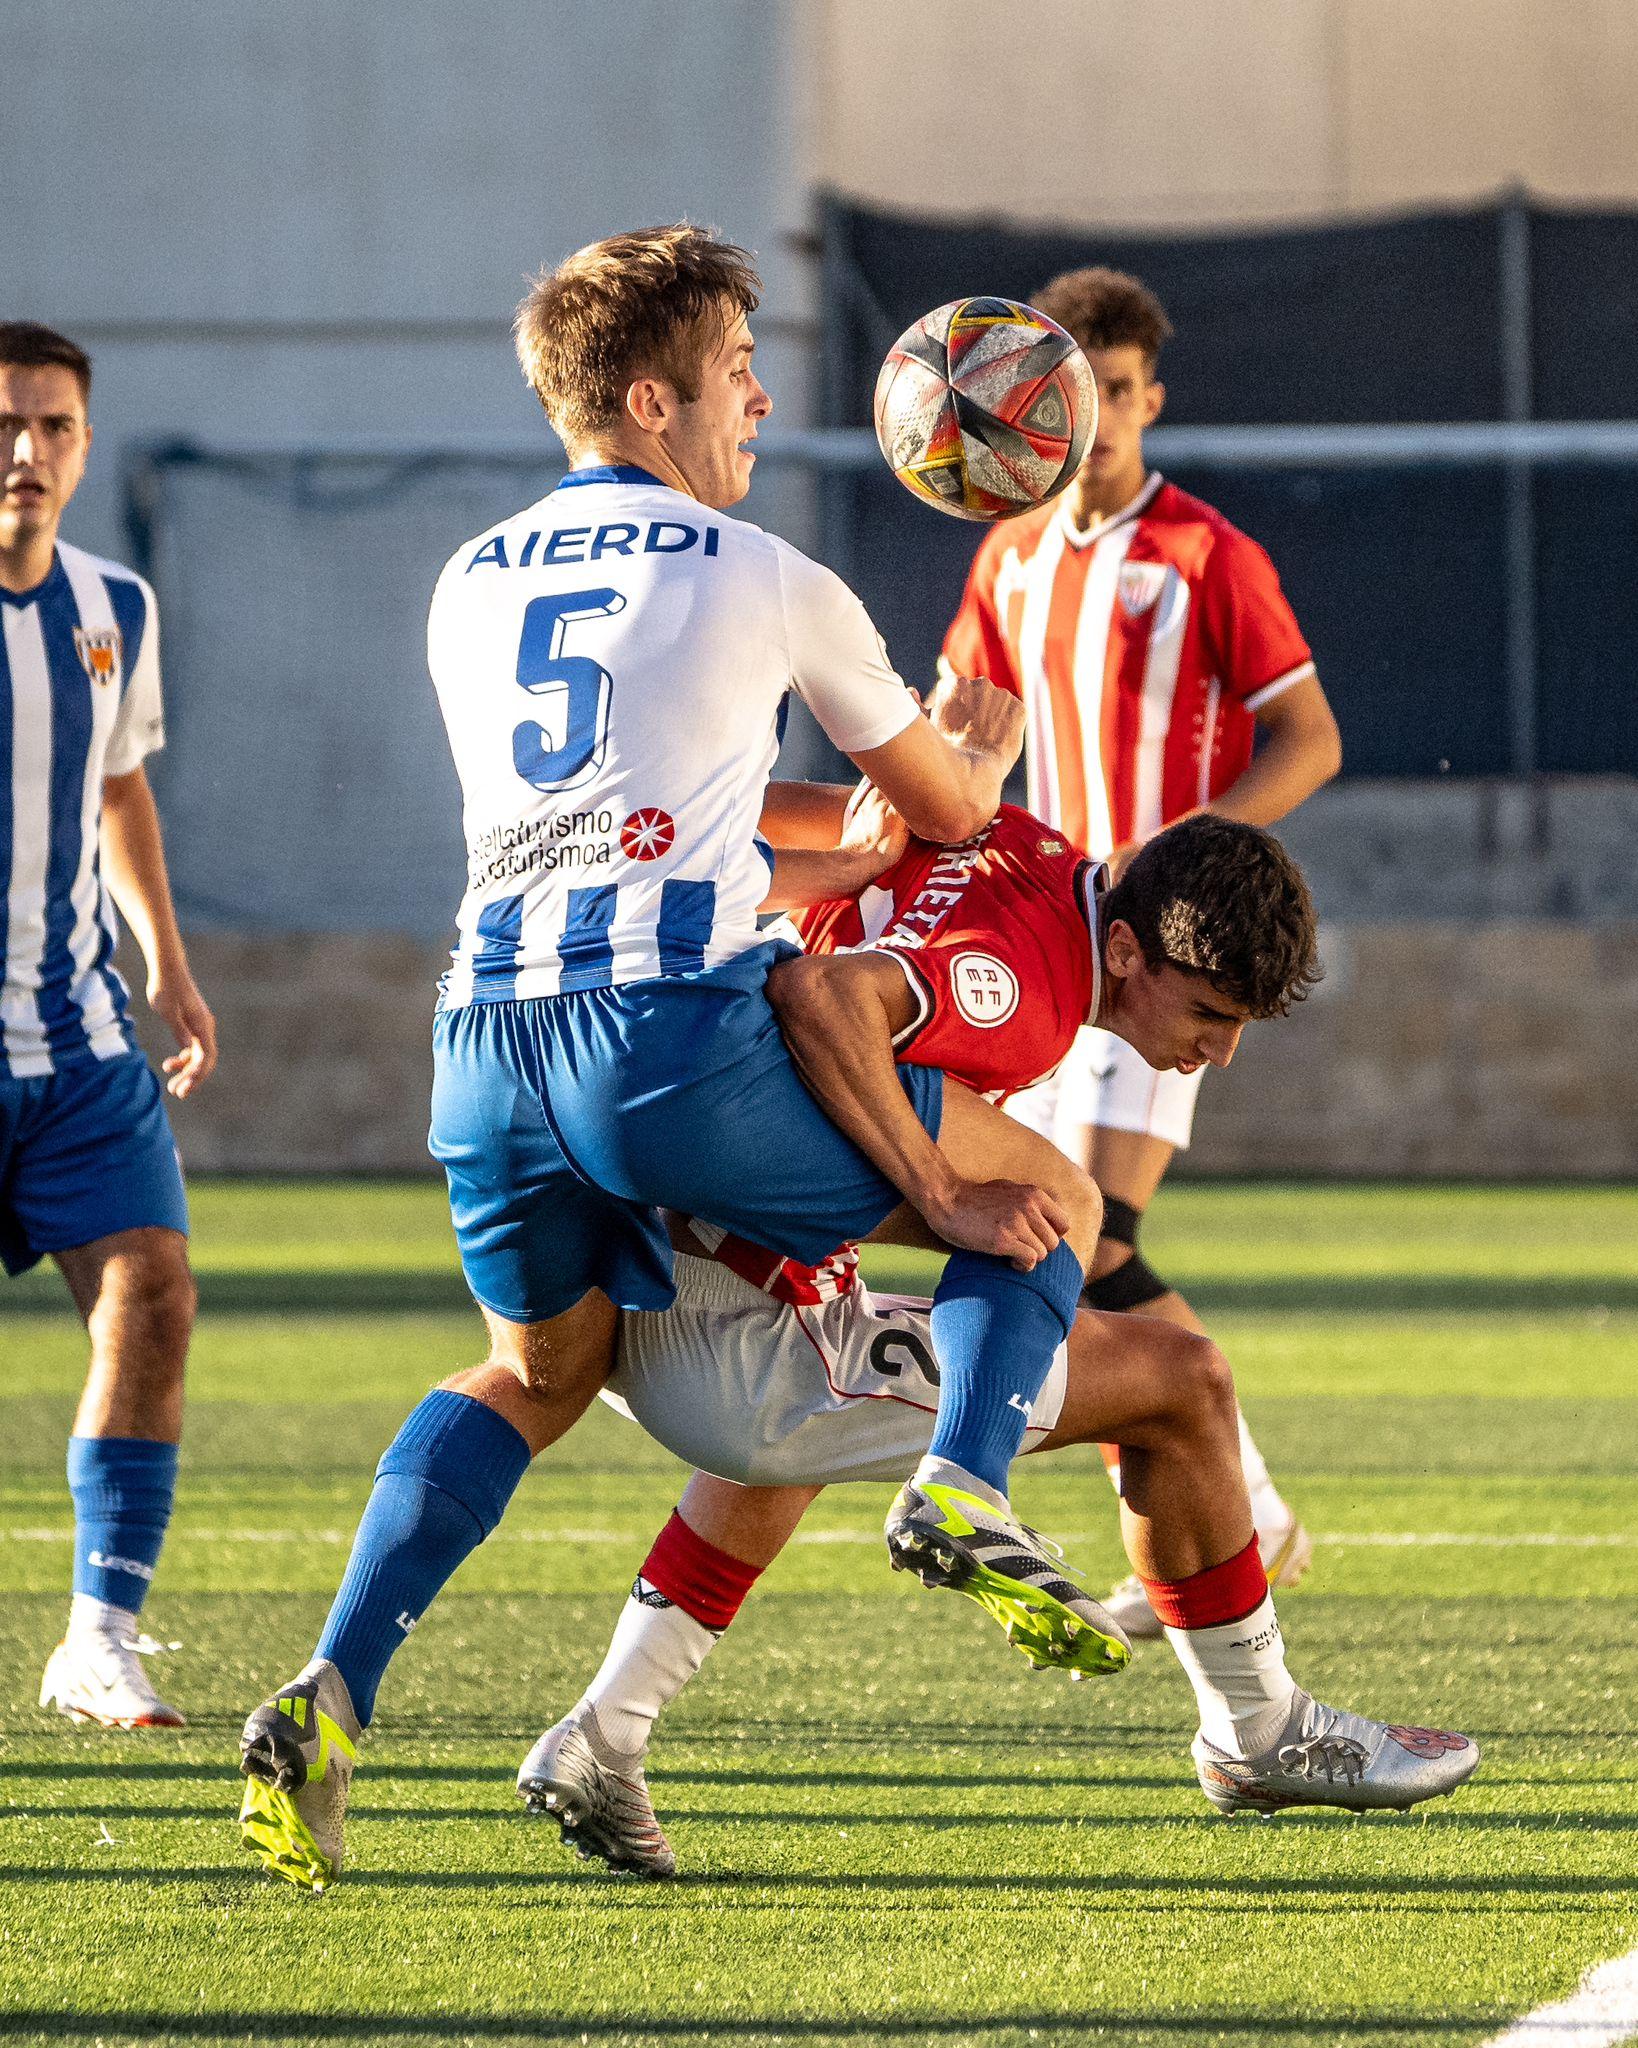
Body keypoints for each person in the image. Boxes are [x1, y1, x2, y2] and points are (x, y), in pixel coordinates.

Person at [237, 227, 1123, 1888]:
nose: (758, 401)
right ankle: (958, 1482)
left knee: (533, 1373)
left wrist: (833, 848)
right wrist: (967, 759)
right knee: (1045, 1192)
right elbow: (942, 813)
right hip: (660, 1047)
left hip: (484, 1042)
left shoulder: (470, 577)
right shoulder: (762, 570)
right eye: (732, 372)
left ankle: (331, 1682)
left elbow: (642, 817)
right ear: (651, 397)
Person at [940, 266, 1345, 1631]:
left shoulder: (1204, 557)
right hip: (1045, 943)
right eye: (1072, 392)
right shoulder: (1003, 556)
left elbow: (1312, 737)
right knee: (1061, 1234)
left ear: (1148, 398)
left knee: (1089, 1233)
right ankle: (1238, 1502)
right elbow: (965, 729)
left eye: (1116, 392)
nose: (1095, 417)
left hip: (1150, 960)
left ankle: (1237, 1501)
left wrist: (1192, 877)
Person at [0, 322, 217, 1729]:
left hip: (78, 1050)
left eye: (55, 426)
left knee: (153, 1298)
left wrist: (168, 968)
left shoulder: (114, 606)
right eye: (8, 423)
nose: (28, 452)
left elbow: (121, 788)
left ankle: (97, 1636)